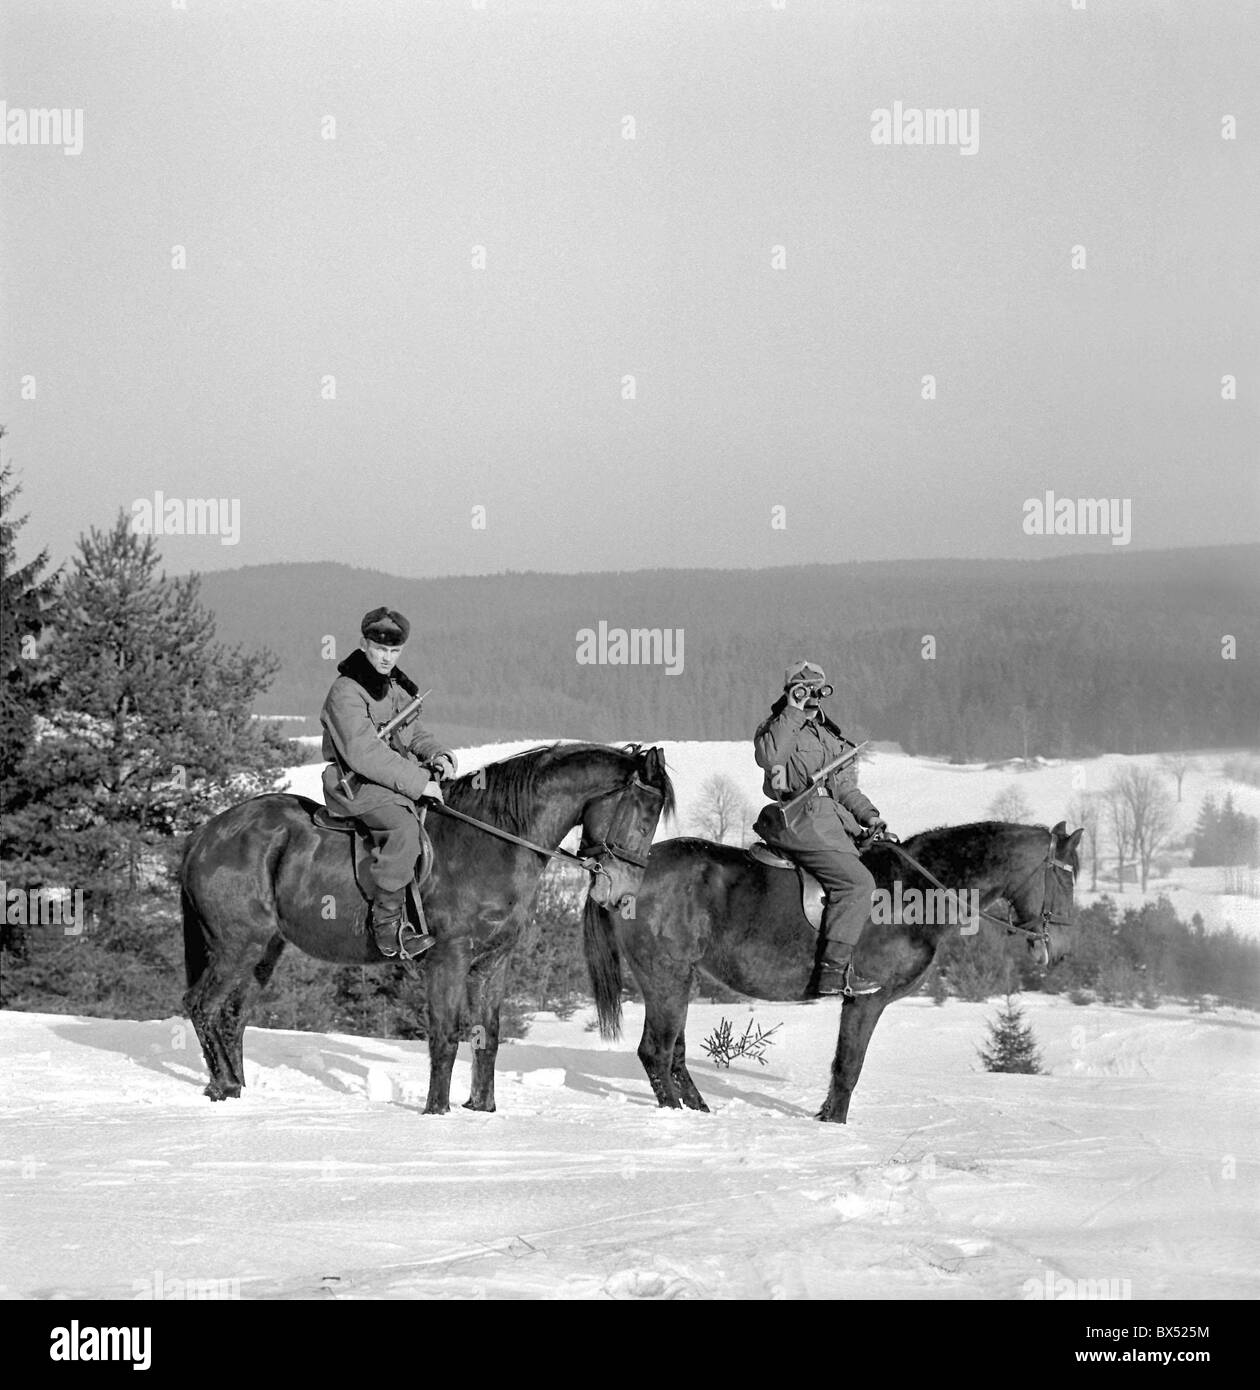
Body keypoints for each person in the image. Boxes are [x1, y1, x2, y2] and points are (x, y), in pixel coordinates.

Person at [320, 607, 456, 958]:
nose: (387, 658)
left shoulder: (393, 686)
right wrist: (418, 782)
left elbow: (412, 732)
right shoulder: (347, 691)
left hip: (386, 777)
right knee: (403, 828)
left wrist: (437, 754)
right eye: (381, 650)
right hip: (355, 784)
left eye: (394, 651)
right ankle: (388, 927)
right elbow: (363, 753)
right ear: (364, 644)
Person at [752, 660, 891, 997]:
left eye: (818, 688)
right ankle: (832, 973)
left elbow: (845, 789)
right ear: (790, 690)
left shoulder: (831, 735)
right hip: (801, 823)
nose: (814, 695)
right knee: (859, 883)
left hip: (834, 824)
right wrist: (793, 709)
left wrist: (869, 816)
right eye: (804, 687)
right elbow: (771, 759)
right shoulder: (777, 728)